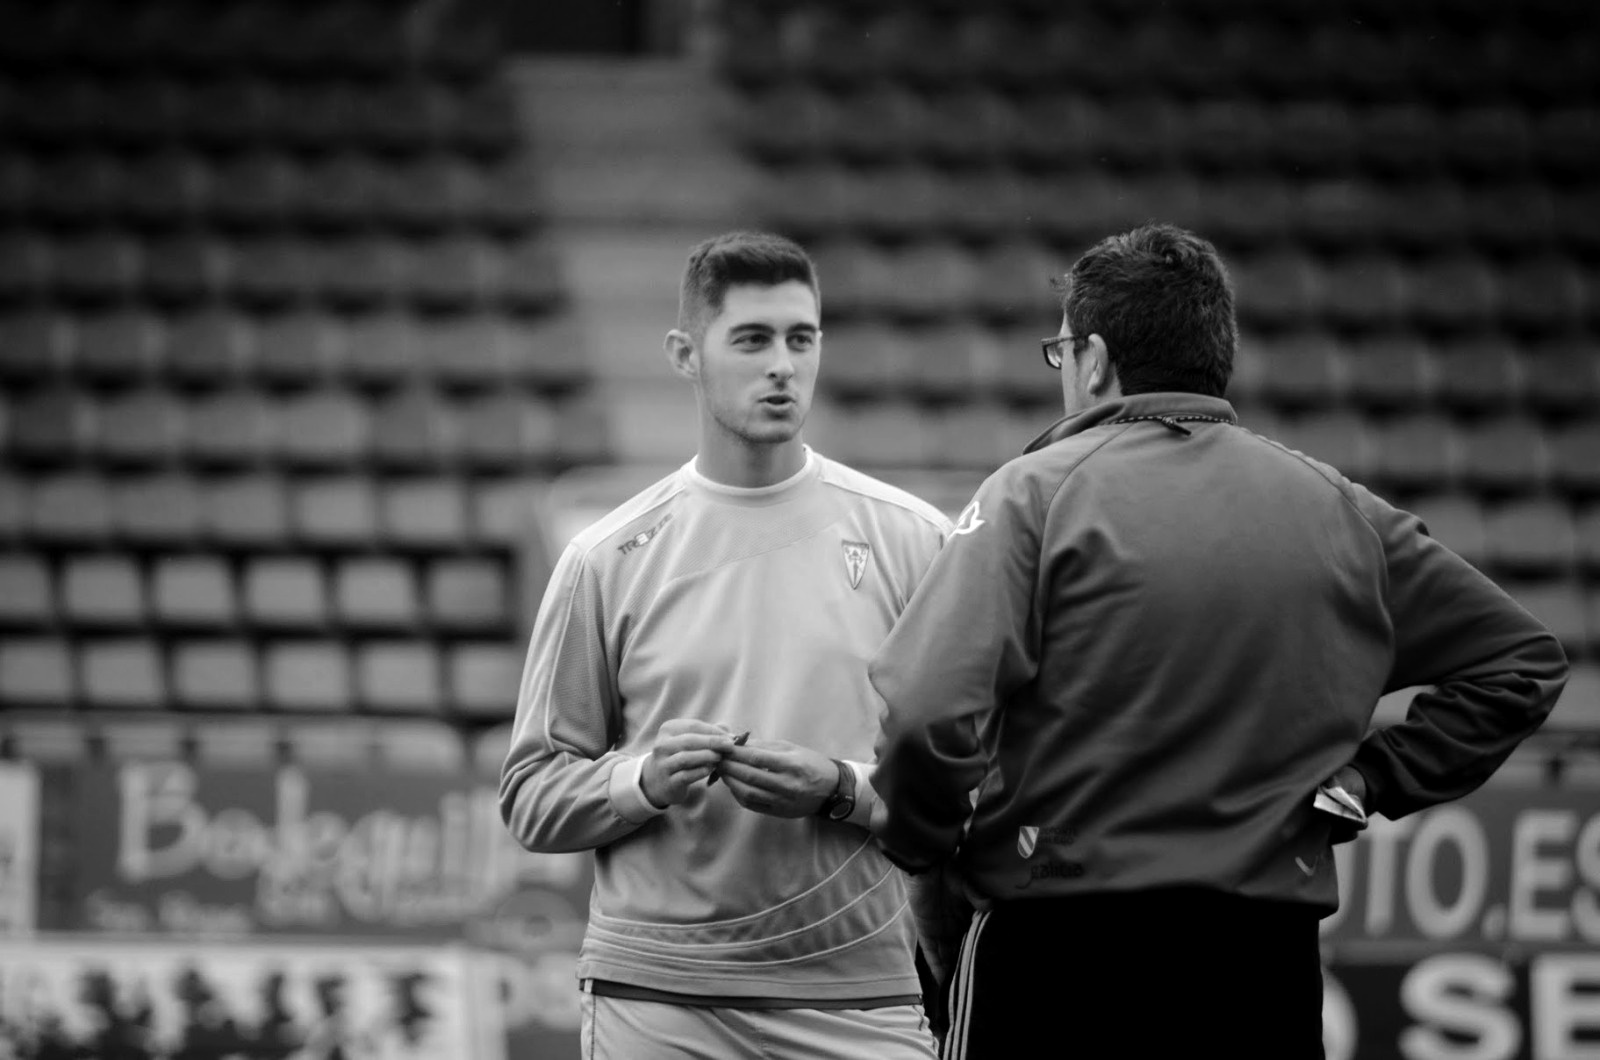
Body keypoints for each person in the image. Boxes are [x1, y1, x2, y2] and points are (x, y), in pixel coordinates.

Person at [867, 223, 1569, 1058]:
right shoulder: (1337, 507)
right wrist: (1374, 779)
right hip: (1260, 964)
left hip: (1059, 946)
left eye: (1059, 355)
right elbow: (1522, 663)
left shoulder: (1036, 492)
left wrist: (919, 844)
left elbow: (923, 713)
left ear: (1092, 360)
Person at [499, 231, 947, 1059]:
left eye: (800, 339)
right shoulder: (604, 558)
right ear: (685, 353)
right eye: (751, 339)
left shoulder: (917, 541)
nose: (782, 364)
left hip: (858, 993)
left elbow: (977, 783)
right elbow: (530, 795)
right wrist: (642, 780)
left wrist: (843, 789)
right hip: (657, 996)